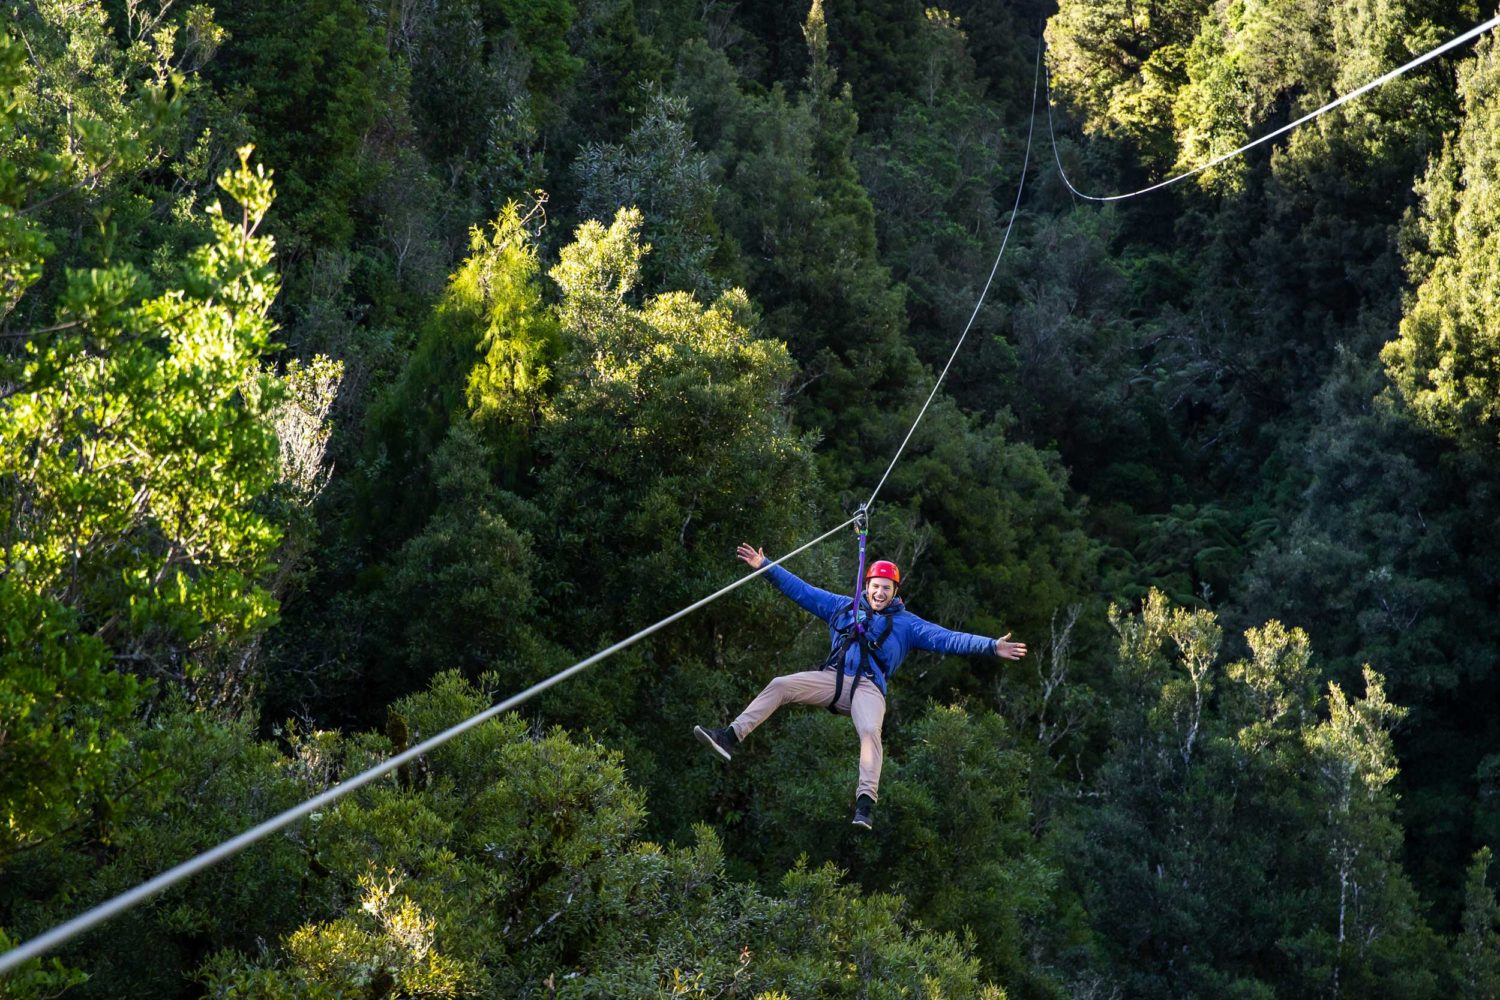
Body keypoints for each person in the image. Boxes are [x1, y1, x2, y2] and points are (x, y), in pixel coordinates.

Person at [694, 542, 1026, 830]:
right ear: (866, 586)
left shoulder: (908, 625)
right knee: (781, 685)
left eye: (886, 588)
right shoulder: (842, 606)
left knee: (870, 730)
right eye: (875, 587)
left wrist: (990, 646)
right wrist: (764, 566)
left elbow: (949, 638)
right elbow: (801, 590)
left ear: (895, 592)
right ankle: (730, 736)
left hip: (868, 688)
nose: (879, 593)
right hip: (832, 680)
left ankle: (865, 803)